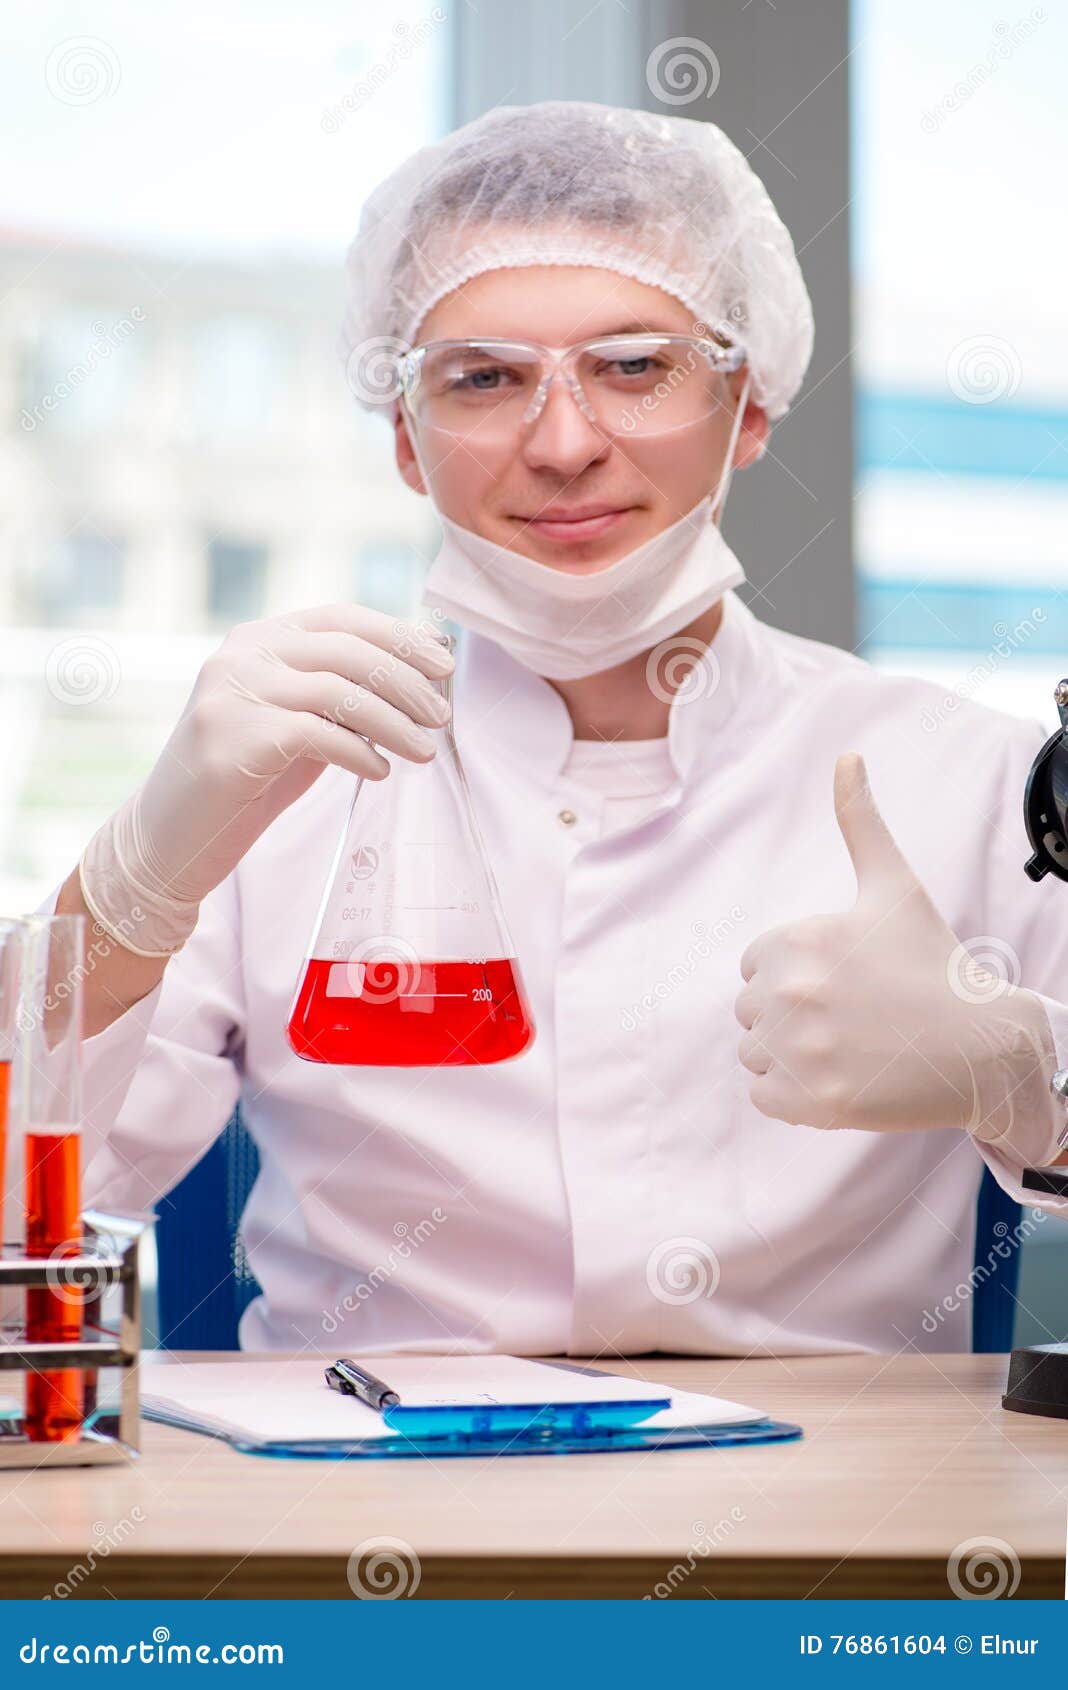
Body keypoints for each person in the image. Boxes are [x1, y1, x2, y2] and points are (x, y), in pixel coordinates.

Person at [38, 101, 1068, 1357]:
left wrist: (1032, 1088)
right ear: (407, 441)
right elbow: (26, 1234)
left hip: (832, 1534)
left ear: (749, 407)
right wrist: (134, 886)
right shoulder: (273, 782)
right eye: (485, 379)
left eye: (636, 366)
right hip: (353, 1504)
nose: (566, 442)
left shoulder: (967, 780)